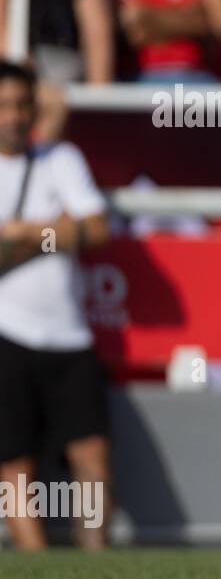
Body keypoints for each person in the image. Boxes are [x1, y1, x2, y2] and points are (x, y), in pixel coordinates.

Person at [0, 62, 112, 549]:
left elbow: (98, 230)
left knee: (92, 455)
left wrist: (22, 232)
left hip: (70, 333)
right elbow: (78, 230)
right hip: (8, 333)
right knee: (13, 461)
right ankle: (37, 566)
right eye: (3, 105)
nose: (13, 116)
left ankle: (96, 562)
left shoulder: (61, 157)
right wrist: (59, 230)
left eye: (22, 105)